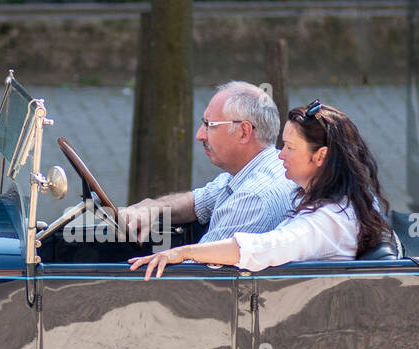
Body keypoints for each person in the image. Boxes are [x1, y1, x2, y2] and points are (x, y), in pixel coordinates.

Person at [128, 101, 391, 278]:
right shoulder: (346, 197)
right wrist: (152, 206)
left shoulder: (327, 221)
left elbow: (261, 248)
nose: (280, 156)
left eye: (289, 148)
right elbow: (204, 198)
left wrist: (182, 252)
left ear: (320, 156)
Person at [119, 81, 295, 246]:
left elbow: (199, 273)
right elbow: (197, 203)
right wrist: (153, 207)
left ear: (243, 132)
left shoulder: (251, 198)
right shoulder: (259, 168)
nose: (199, 135)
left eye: (209, 124)